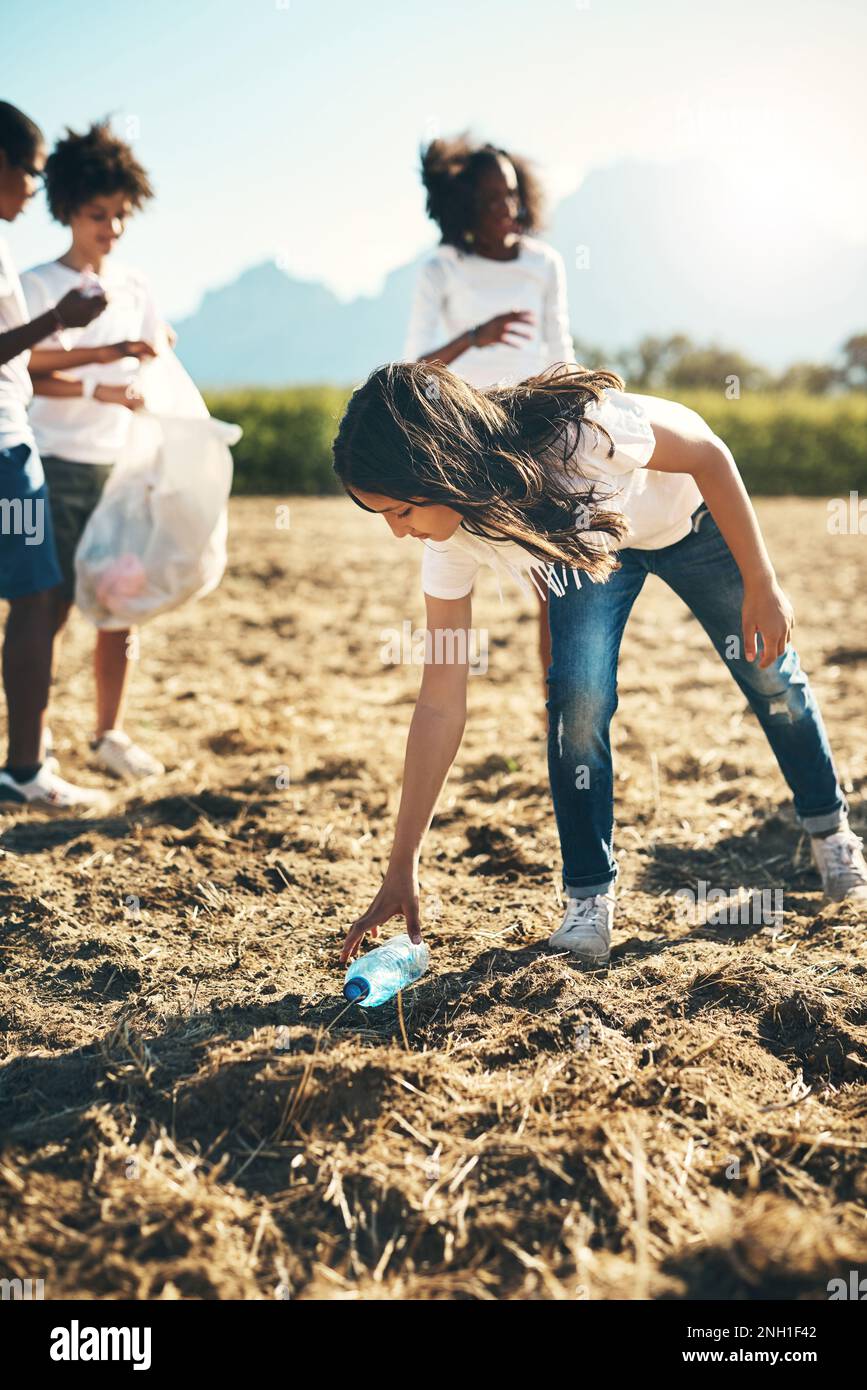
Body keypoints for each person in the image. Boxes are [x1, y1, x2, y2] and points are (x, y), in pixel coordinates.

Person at [333, 360, 866, 968]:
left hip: (690, 519)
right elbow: (439, 700)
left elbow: (710, 455)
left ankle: (831, 832)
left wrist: (761, 583)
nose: (400, 534)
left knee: (769, 672)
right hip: (590, 548)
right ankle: (589, 899)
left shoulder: (581, 434)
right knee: (577, 700)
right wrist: (403, 863)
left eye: (401, 511)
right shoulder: (448, 540)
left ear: (439, 465)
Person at [22, 118, 165, 782]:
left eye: (119, 215)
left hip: (120, 466)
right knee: (44, 609)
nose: (110, 228)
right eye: (96, 214)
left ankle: (109, 733)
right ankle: (37, 738)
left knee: (120, 601)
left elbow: (154, 354)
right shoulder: (39, 284)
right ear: (66, 212)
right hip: (55, 463)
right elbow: (23, 367)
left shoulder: (136, 286)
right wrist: (96, 381)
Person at [405, 135, 575, 690]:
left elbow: (561, 354)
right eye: (489, 198)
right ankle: (445, 692)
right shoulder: (442, 268)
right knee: (451, 570)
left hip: (536, 431)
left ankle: (557, 696)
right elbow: (416, 367)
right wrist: (475, 337)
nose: (505, 208)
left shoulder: (544, 263)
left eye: (510, 195)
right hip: (462, 439)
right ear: (463, 208)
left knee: (554, 578)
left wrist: (572, 410)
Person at [0, 100, 110, 813]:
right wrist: (57, 320)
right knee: (35, 598)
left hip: (14, 440)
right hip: (6, 452)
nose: (38, 188)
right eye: (32, 172)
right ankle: (24, 768)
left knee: (36, 597)